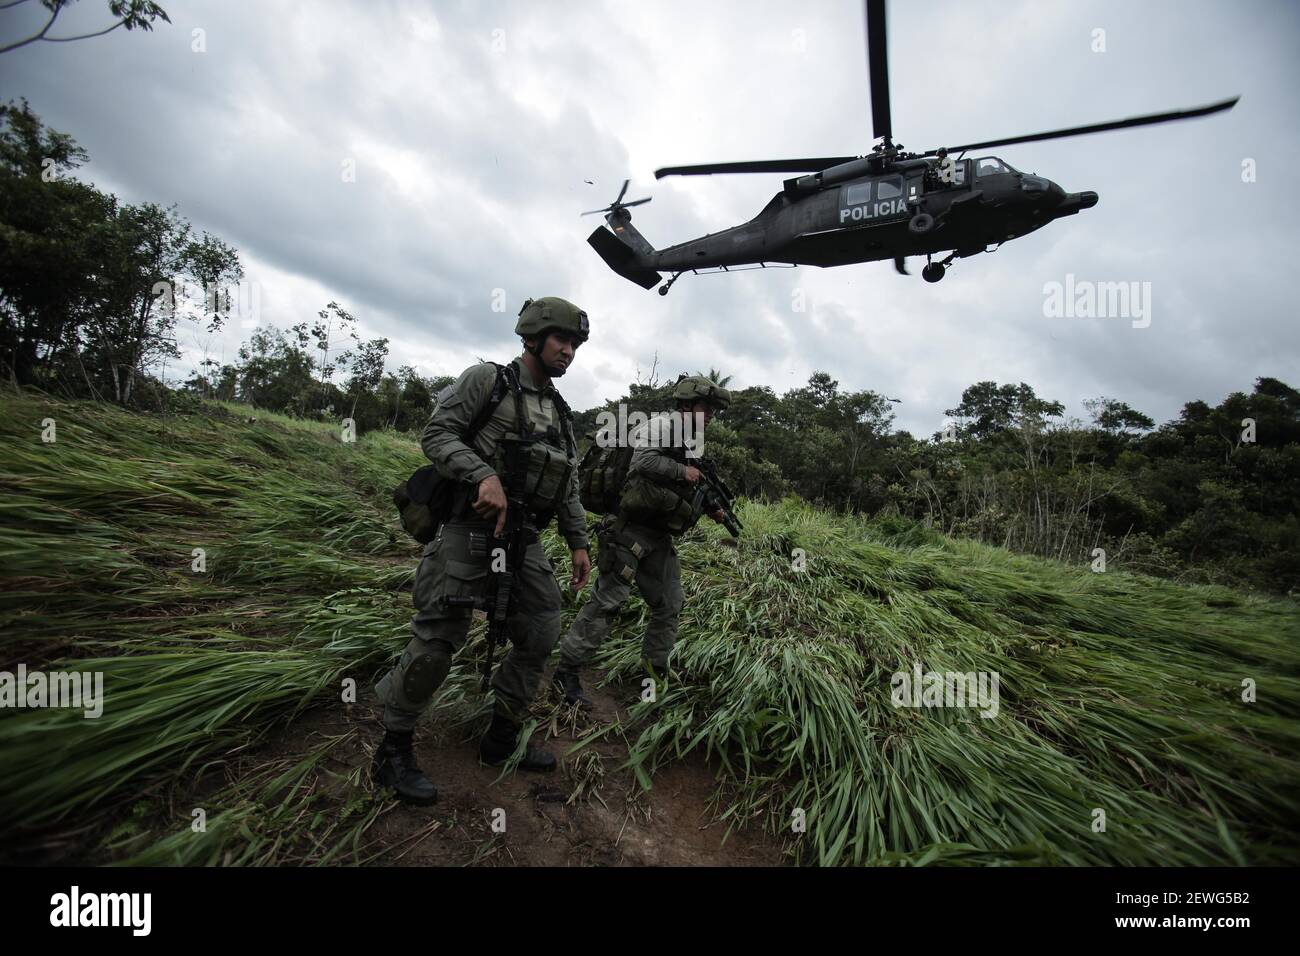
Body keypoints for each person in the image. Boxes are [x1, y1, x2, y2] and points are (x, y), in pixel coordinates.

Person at [371, 297, 593, 805]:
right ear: (533, 337)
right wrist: (483, 474)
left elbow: (570, 483)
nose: (569, 351)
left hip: (524, 539)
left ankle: (501, 736)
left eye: (576, 343)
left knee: (541, 629)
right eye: (562, 339)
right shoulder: (486, 381)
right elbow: (436, 434)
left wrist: (579, 541)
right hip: (468, 529)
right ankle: (393, 747)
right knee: (438, 639)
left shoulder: (559, 411)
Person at [551, 375, 731, 709]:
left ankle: (652, 679)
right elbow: (643, 461)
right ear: (687, 405)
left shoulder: (691, 439)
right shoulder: (662, 425)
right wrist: (682, 472)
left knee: (669, 604)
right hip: (627, 530)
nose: (710, 416)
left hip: (658, 537)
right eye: (707, 408)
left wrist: (712, 507)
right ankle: (567, 673)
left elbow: (690, 481)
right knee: (608, 602)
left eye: (713, 411)